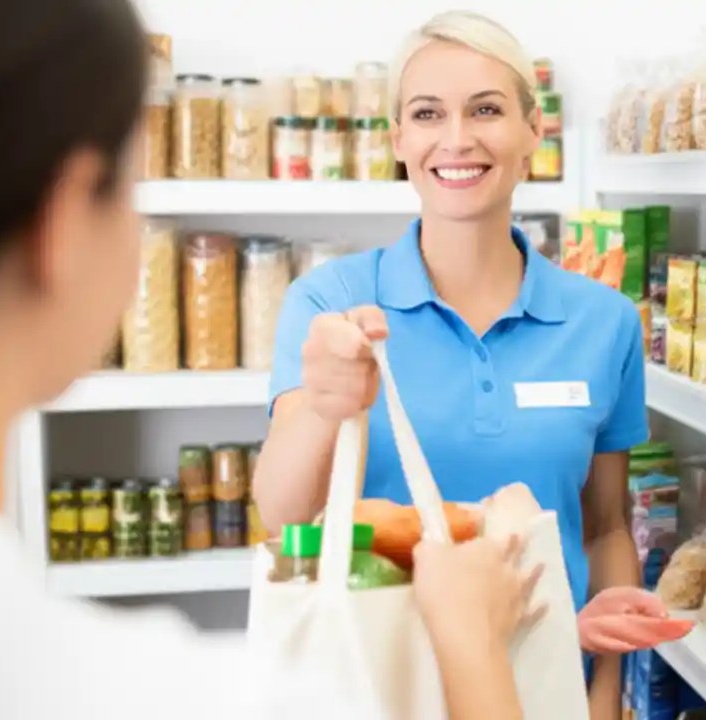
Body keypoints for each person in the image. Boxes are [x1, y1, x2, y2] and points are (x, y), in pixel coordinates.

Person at [0, 1, 541, 718]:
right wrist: (470, 640)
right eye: (130, 184)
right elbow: (279, 512)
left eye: (483, 109)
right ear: (64, 224)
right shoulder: (199, 697)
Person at [253, 11, 675, 718]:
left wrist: (602, 698)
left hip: (546, 683)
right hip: (372, 689)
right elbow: (283, 515)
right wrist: (327, 403)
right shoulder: (331, 302)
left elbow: (603, 528)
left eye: (486, 109)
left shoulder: (604, 323)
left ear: (532, 131)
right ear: (399, 140)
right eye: (427, 114)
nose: (457, 138)